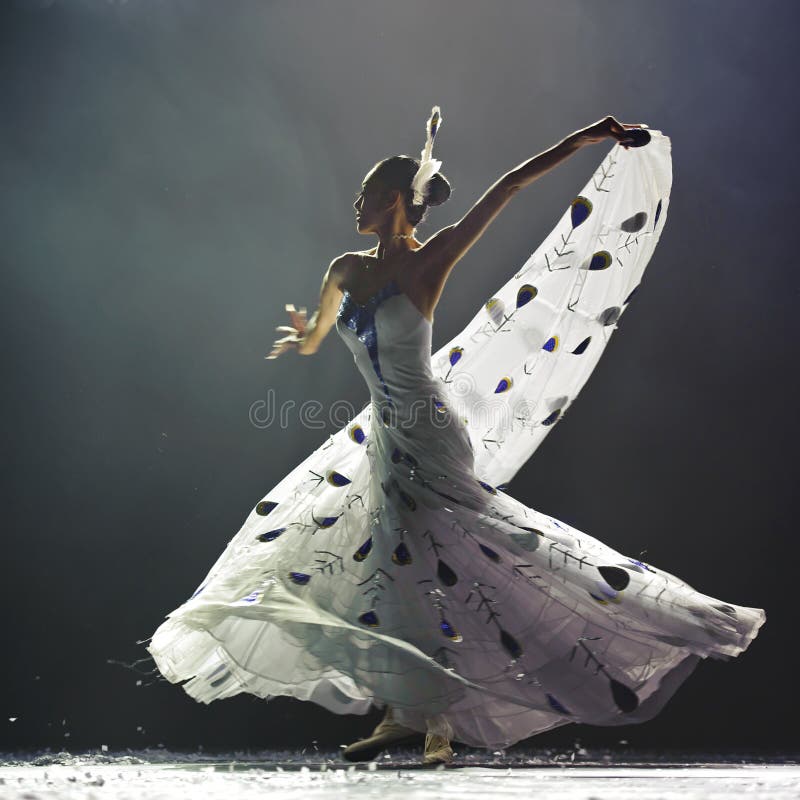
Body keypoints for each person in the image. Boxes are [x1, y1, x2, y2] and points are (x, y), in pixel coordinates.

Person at [146, 108, 765, 766]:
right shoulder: (345, 269)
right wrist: (301, 335)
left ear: (393, 200)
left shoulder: (431, 260)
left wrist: (582, 140)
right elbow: (320, 335)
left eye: (365, 194)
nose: (355, 203)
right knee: (393, 567)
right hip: (383, 434)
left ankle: (454, 715)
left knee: (452, 558)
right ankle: (407, 714)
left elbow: (507, 189)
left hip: (430, 430)